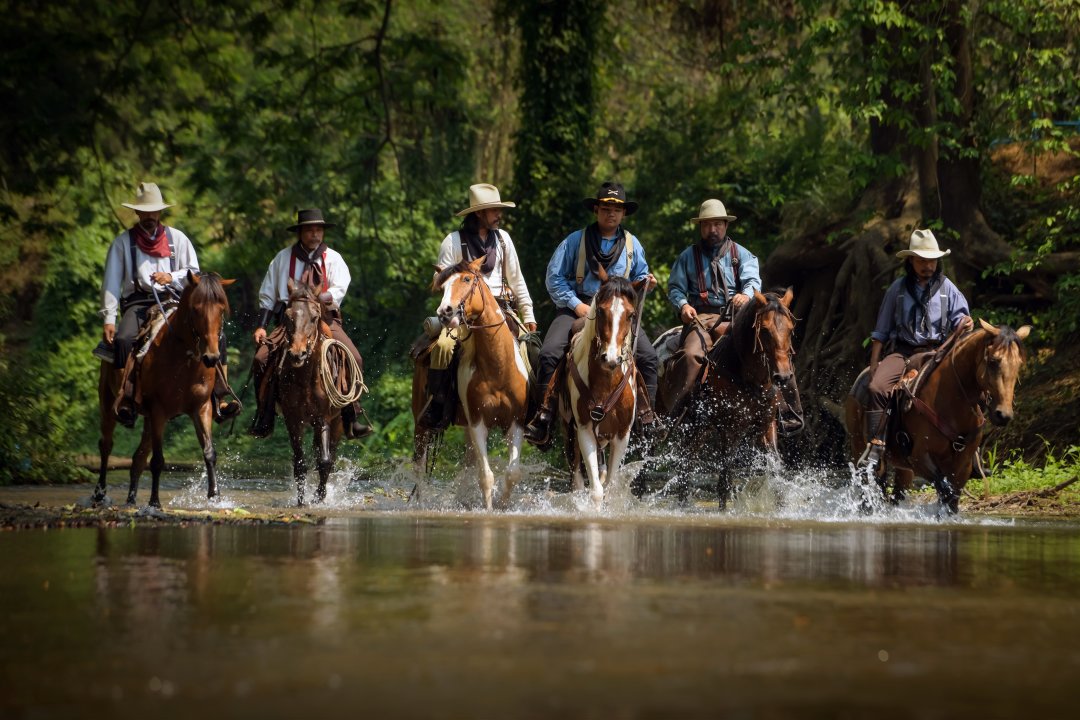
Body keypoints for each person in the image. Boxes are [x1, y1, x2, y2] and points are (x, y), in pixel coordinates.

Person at [523, 181, 662, 447]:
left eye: (617, 209)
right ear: (596, 209)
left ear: (623, 213)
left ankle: (647, 419)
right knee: (549, 353)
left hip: (616, 311)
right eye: (606, 208)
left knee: (648, 357)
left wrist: (647, 283)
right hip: (578, 306)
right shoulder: (574, 241)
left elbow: (640, 275)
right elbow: (554, 278)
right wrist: (578, 305)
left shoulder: (632, 244)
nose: (612, 213)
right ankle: (544, 418)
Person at [99, 182, 239, 427]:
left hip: (175, 301)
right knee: (123, 340)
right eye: (145, 212)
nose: (149, 216)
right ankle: (126, 398)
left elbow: (194, 273)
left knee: (218, 337)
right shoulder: (122, 243)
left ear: (160, 212)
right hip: (139, 304)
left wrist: (170, 277)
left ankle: (219, 397)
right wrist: (109, 318)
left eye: (153, 211)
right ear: (137, 212)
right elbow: (111, 282)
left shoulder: (178, 239)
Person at [418, 183, 537, 430]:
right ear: (479, 213)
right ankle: (437, 404)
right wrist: (451, 274)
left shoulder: (503, 240)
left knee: (535, 350)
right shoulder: (452, 241)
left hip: (502, 310)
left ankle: (537, 410)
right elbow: (440, 281)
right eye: (494, 210)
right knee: (443, 347)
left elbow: (517, 280)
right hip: (463, 313)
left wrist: (528, 314)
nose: (499, 215)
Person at [249, 208, 372, 439]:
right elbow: (268, 294)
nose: (314, 234)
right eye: (309, 230)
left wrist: (318, 298)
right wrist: (262, 326)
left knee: (355, 358)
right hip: (290, 322)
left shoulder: (333, 258)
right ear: (300, 233)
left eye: (318, 230)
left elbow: (339, 288)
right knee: (260, 359)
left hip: (324, 319)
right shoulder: (282, 258)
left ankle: (351, 416)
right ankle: (264, 415)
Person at [858, 228, 973, 472]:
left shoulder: (948, 288)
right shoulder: (897, 289)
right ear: (911, 261)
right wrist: (875, 362)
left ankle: (971, 453)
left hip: (938, 352)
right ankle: (876, 446)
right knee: (877, 387)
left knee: (971, 388)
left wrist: (965, 322)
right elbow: (881, 330)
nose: (928, 266)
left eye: (932, 261)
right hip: (903, 352)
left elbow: (961, 319)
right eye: (922, 260)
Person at [661, 198, 761, 416]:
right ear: (700, 227)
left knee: (768, 349)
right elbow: (675, 288)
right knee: (690, 355)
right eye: (707, 224)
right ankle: (682, 412)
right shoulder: (687, 257)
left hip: (736, 318)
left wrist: (745, 295)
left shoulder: (741, 254)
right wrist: (683, 306)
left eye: (717, 224)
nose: (712, 229)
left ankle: (781, 410)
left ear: (725, 225)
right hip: (701, 319)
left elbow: (753, 282)